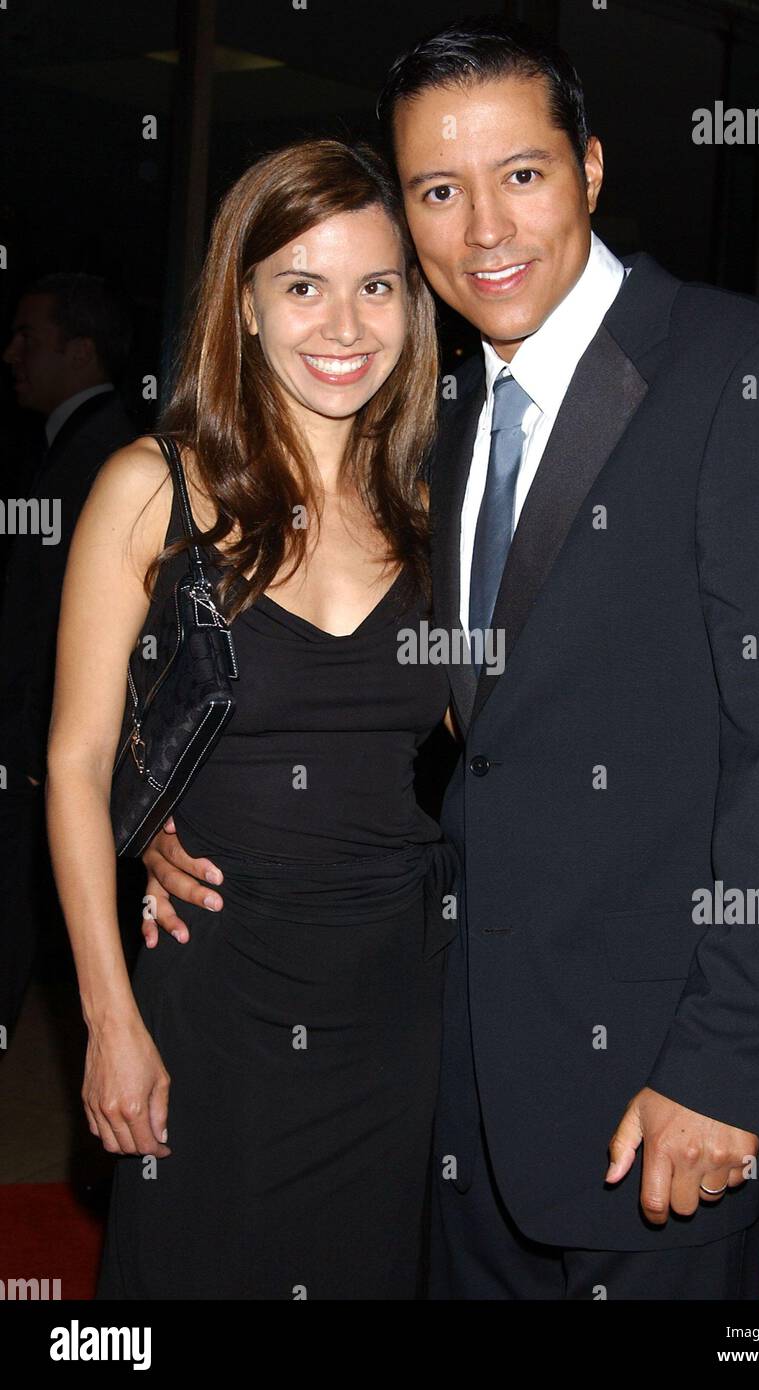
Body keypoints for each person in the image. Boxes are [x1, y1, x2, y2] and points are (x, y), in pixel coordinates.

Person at [138, 17, 759, 1300]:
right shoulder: (433, 417)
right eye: (437, 188)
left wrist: (727, 1071)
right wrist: (182, 809)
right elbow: (421, 718)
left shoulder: (749, 377)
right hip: (448, 1088)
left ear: (590, 168)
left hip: (657, 1100)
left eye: (520, 174)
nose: (482, 228)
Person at [45, 138, 458, 1299]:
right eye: (302, 284)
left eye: (376, 285)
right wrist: (108, 1016)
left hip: (403, 999)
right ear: (245, 301)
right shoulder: (152, 488)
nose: (343, 323)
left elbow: (498, 751)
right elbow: (74, 764)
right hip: (217, 999)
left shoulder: (438, 509)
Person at [0, 274, 136, 1044]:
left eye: (30, 337)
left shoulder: (107, 459)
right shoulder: (67, 449)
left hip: (52, 767)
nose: (11, 354)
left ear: (81, 351)